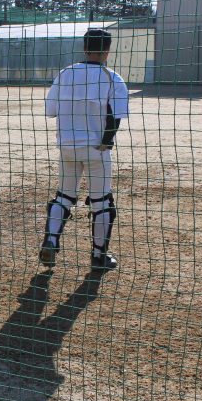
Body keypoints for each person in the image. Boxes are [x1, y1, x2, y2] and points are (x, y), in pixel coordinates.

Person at [39, 27, 129, 272]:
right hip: (96, 149)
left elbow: (50, 111)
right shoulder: (112, 77)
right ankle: (99, 256)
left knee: (64, 196)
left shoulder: (65, 73)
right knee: (101, 201)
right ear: (107, 51)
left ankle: (51, 240)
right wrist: (107, 141)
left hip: (67, 146)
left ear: (84, 47)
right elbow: (116, 115)